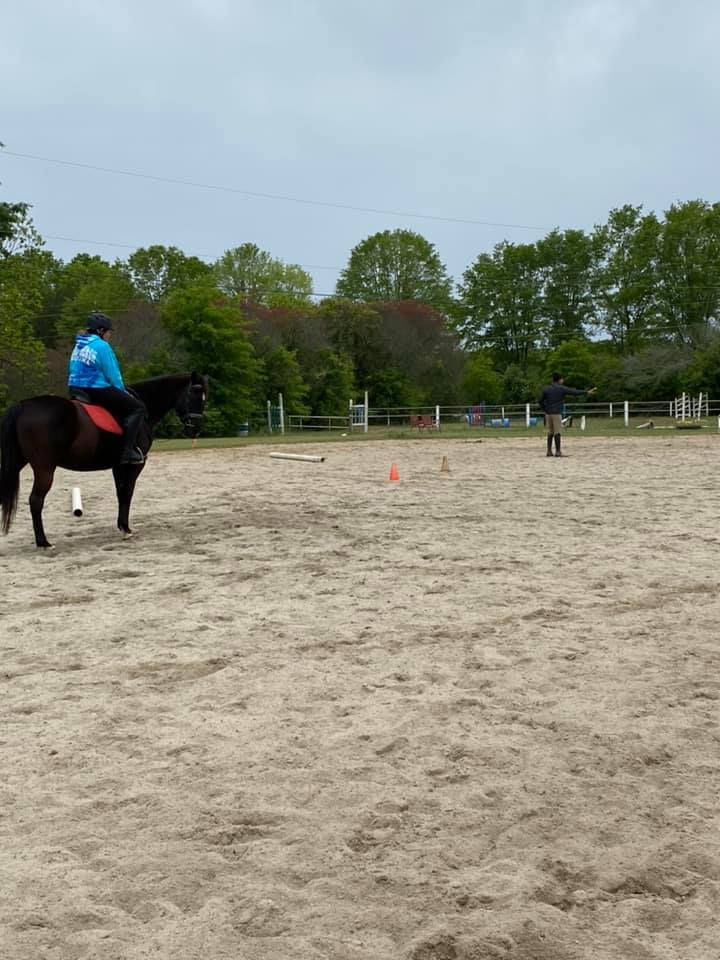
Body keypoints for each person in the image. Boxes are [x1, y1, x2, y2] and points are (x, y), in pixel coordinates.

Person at [67, 312, 146, 465]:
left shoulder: (79, 344)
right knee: (138, 408)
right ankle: (127, 451)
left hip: (74, 388)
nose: (109, 336)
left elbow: (72, 367)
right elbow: (113, 375)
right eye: (109, 332)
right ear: (101, 331)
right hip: (95, 389)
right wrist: (122, 392)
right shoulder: (102, 346)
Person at [538, 372, 596, 457]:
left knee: (550, 432)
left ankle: (549, 451)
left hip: (548, 413)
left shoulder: (546, 389)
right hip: (556, 413)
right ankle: (558, 452)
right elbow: (574, 392)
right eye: (562, 379)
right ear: (559, 380)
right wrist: (586, 392)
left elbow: (540, 400)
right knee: (557, 432)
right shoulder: (562, 388)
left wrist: (545, 409)